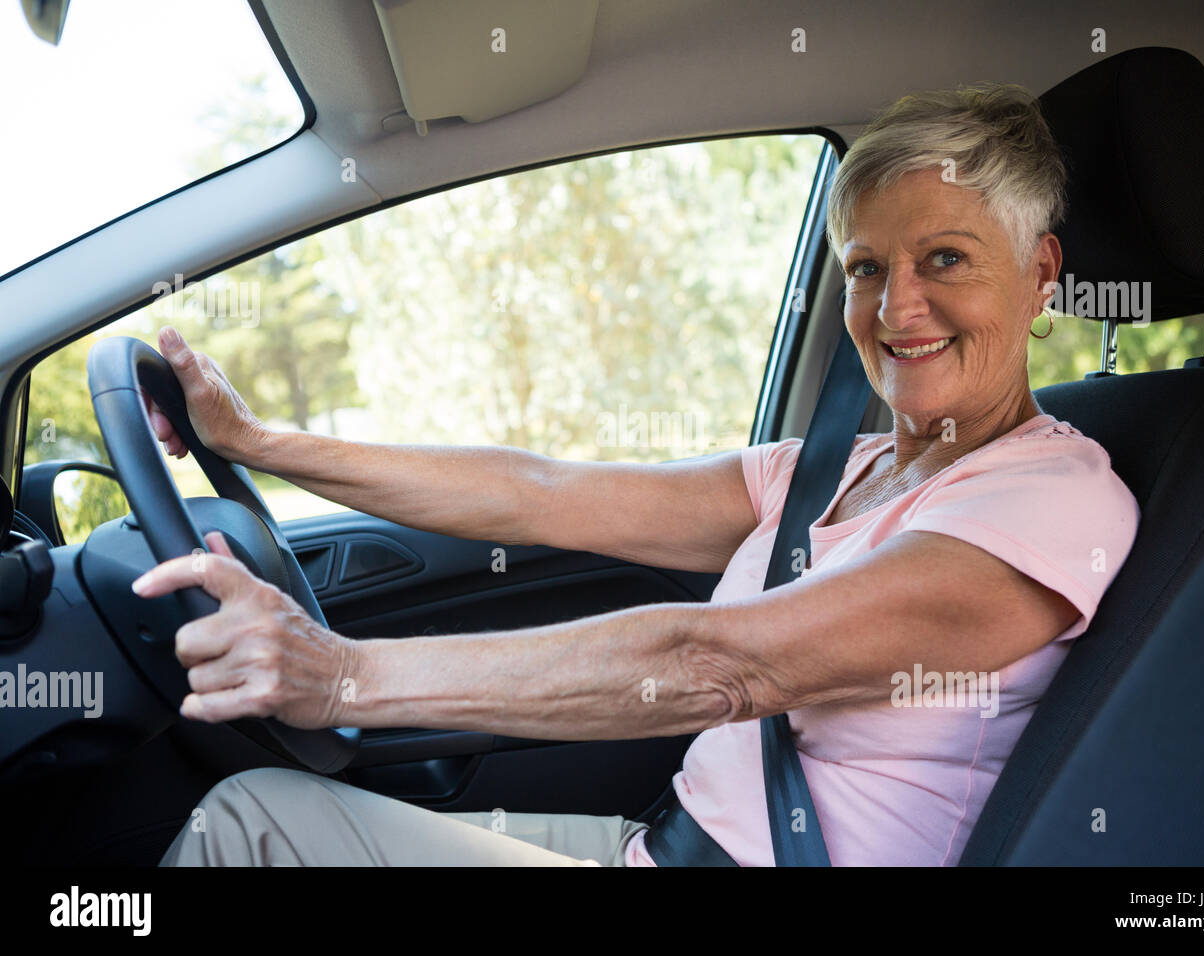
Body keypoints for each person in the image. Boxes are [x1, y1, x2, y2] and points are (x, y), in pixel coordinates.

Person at [145, 83, 1139, 866]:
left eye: (947, 258)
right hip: (655, 848)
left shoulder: (1052, 497)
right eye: (869, 266)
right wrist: (259, 440)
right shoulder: (836, 467)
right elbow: (537, 492)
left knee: (252, 830)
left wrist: (344, 673)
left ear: (1040, 272)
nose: (894, 308)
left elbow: (723, 661)